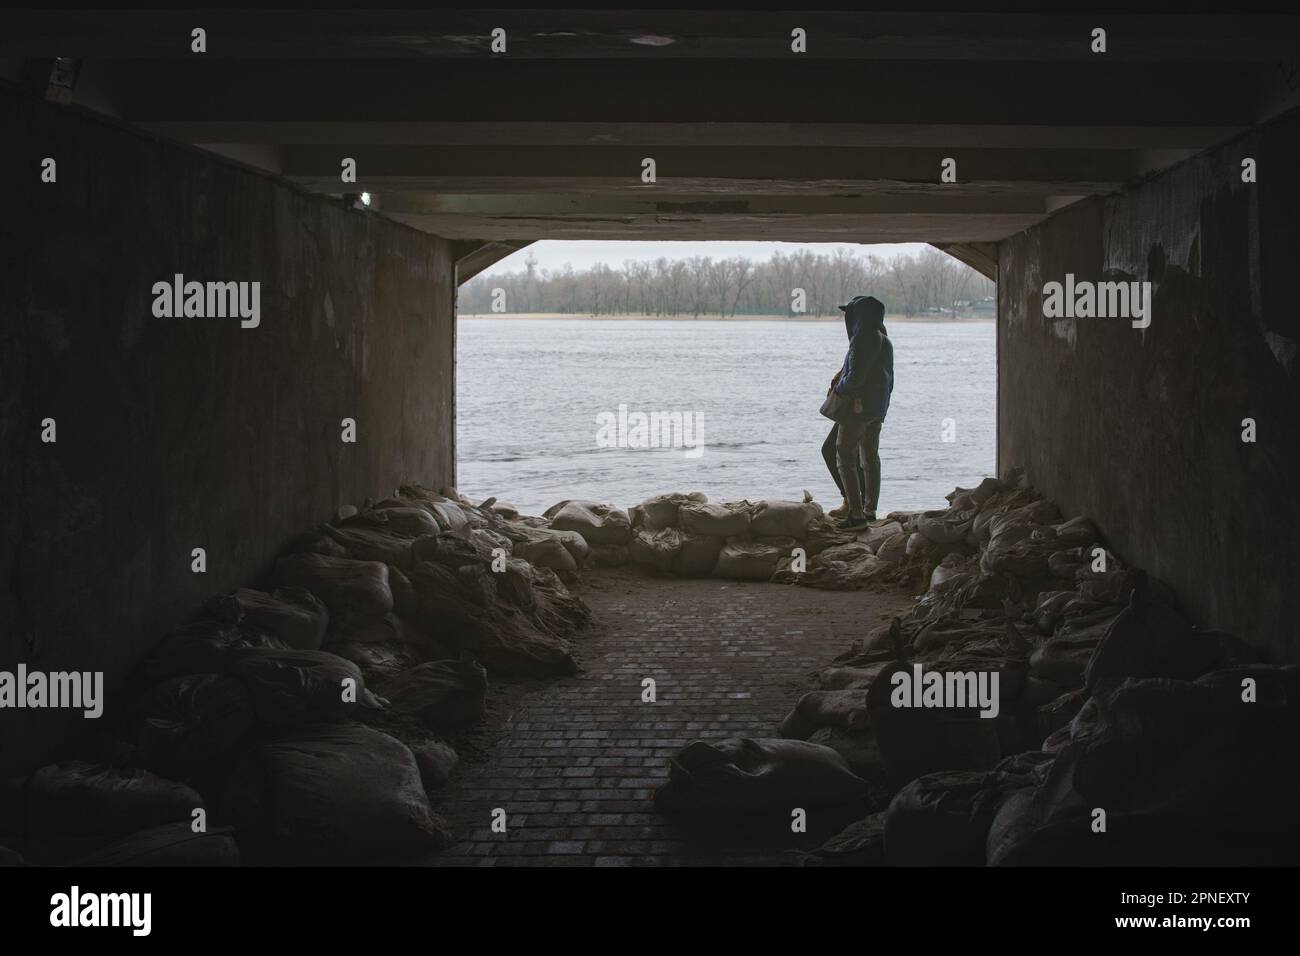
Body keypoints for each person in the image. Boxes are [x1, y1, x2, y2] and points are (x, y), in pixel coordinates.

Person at [828, 295, 894, 531]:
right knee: (870, 457)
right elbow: (890, 380)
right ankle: (870, 510)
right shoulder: (885, 341)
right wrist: (882, 407)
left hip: (859, 407)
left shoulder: (862, 339)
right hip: (878, 408)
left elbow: (855, 376)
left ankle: (855, 514)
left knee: (844, 453)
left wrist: (839, 389)